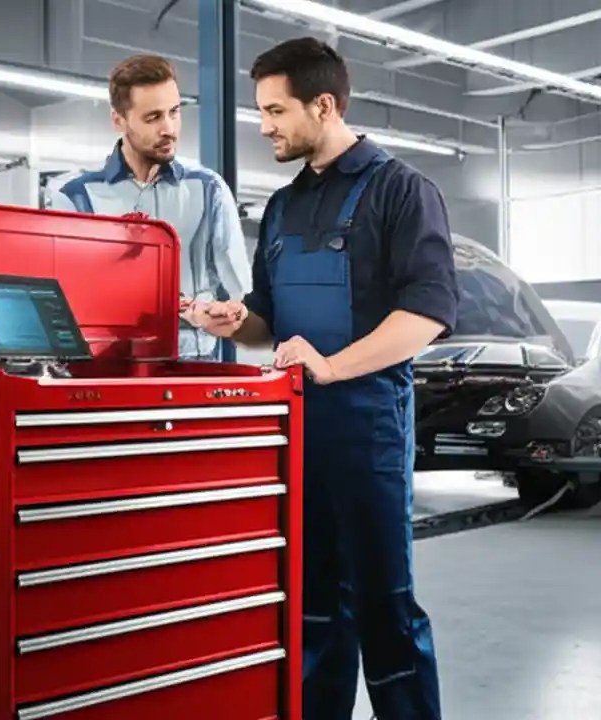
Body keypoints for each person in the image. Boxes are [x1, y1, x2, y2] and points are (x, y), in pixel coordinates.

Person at [186, 37, 456, 720]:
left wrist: (333, 367)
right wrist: (234, 320)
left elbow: (425, 315)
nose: (266, 126)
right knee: (308, 614)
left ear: (325, 104)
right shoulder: (281, 206)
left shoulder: (403, 191)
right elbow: (269, 320)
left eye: (276, 111)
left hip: (368, 433)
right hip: (293, 433)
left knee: (385, 611)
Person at [48, 54, 251, 360]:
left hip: (196, 367)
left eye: (174, 112)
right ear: (118, 120)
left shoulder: (209, 189)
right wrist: (187, 308)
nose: (169, 128)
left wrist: (230, 311)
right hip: (109, 369)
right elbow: (74, 297)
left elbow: (238, 290)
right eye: (153, 117)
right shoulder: (75, 195)